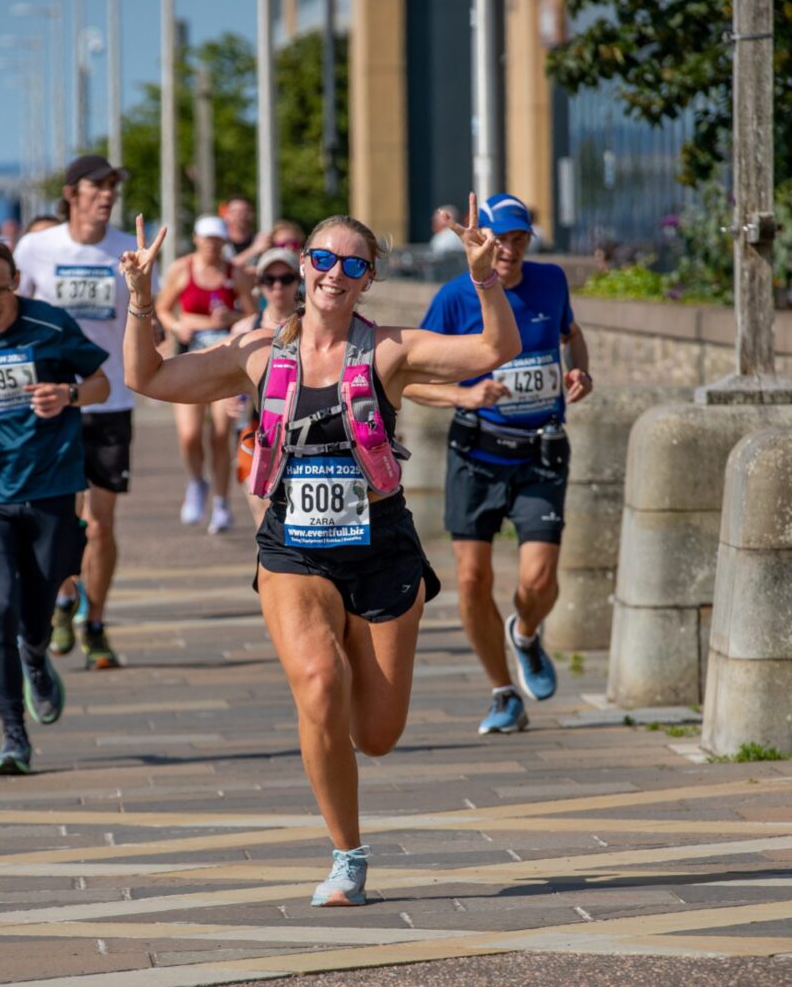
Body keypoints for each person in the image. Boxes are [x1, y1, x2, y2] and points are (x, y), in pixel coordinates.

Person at [119, 198, 521, 906]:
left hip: (383, 549)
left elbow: (494, 351)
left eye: (353, 264)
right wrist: (143, 303)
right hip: (291, 549)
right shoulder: (255, 353)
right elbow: (147, 378)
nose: (335, 273)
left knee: (379, 733)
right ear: (304, 266)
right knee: (318, 683)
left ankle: (353, 798)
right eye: (324, 259)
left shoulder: (391, 350)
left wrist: (485, 281)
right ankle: (347, 857)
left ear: (368, 279)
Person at [404, 193, 593, 735]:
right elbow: (409, 379)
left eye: (518, 239)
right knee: (471, 579)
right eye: (497, 239)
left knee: (537, 579)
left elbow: (570, 334)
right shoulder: (452, 298)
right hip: (477, 455)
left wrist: (580, 372)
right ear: (477, 240)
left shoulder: (551, 281)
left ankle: (526, 634)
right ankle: (503, 692)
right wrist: (463, 397)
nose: (508, 250)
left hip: (540, 451)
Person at [0, 239, 113, 776]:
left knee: (36, 604)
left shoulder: (50, 327)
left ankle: (35, 653)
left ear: (15, 282)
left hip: (51, 485)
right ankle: (13, 736)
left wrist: (68, 396)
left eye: (0, 290)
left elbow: (100, 382)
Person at [14, 155, 142, 671]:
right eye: (97, 186)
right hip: (53, 402)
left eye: (113, 186)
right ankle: (65, 599)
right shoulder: (37, 248)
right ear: (71, 193)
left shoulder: (124, 250)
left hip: (110, 401)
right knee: (62, 524)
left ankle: (95, 621)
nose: (107, 194)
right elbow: (12, 317)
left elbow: (142, 320)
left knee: (102, 527)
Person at [156, 214, 258, 532]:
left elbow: (253, 313)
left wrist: (232, 315)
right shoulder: (182, 269)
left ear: (223, 242)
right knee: (189, 435)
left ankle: (222, 503)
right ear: (197, 240)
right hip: (189, 360)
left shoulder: (234, 273)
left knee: (218, 435)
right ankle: (197, 482)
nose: (212, 245)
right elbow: (162, 307)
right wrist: (177, 326)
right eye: (207, 239)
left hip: (223, 364)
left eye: (217, 239)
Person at [230, 245, 304, 529]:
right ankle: (266, 572)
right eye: (268, 280)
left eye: (285, 279)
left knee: (293, 517)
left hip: (302, 432)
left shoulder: (314, 325)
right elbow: (223, 380)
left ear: (298, 282)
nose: (277, 287)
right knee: (261, 512)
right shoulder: (244, 330)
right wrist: (225, 400)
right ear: (258, 285)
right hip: (255, 429)